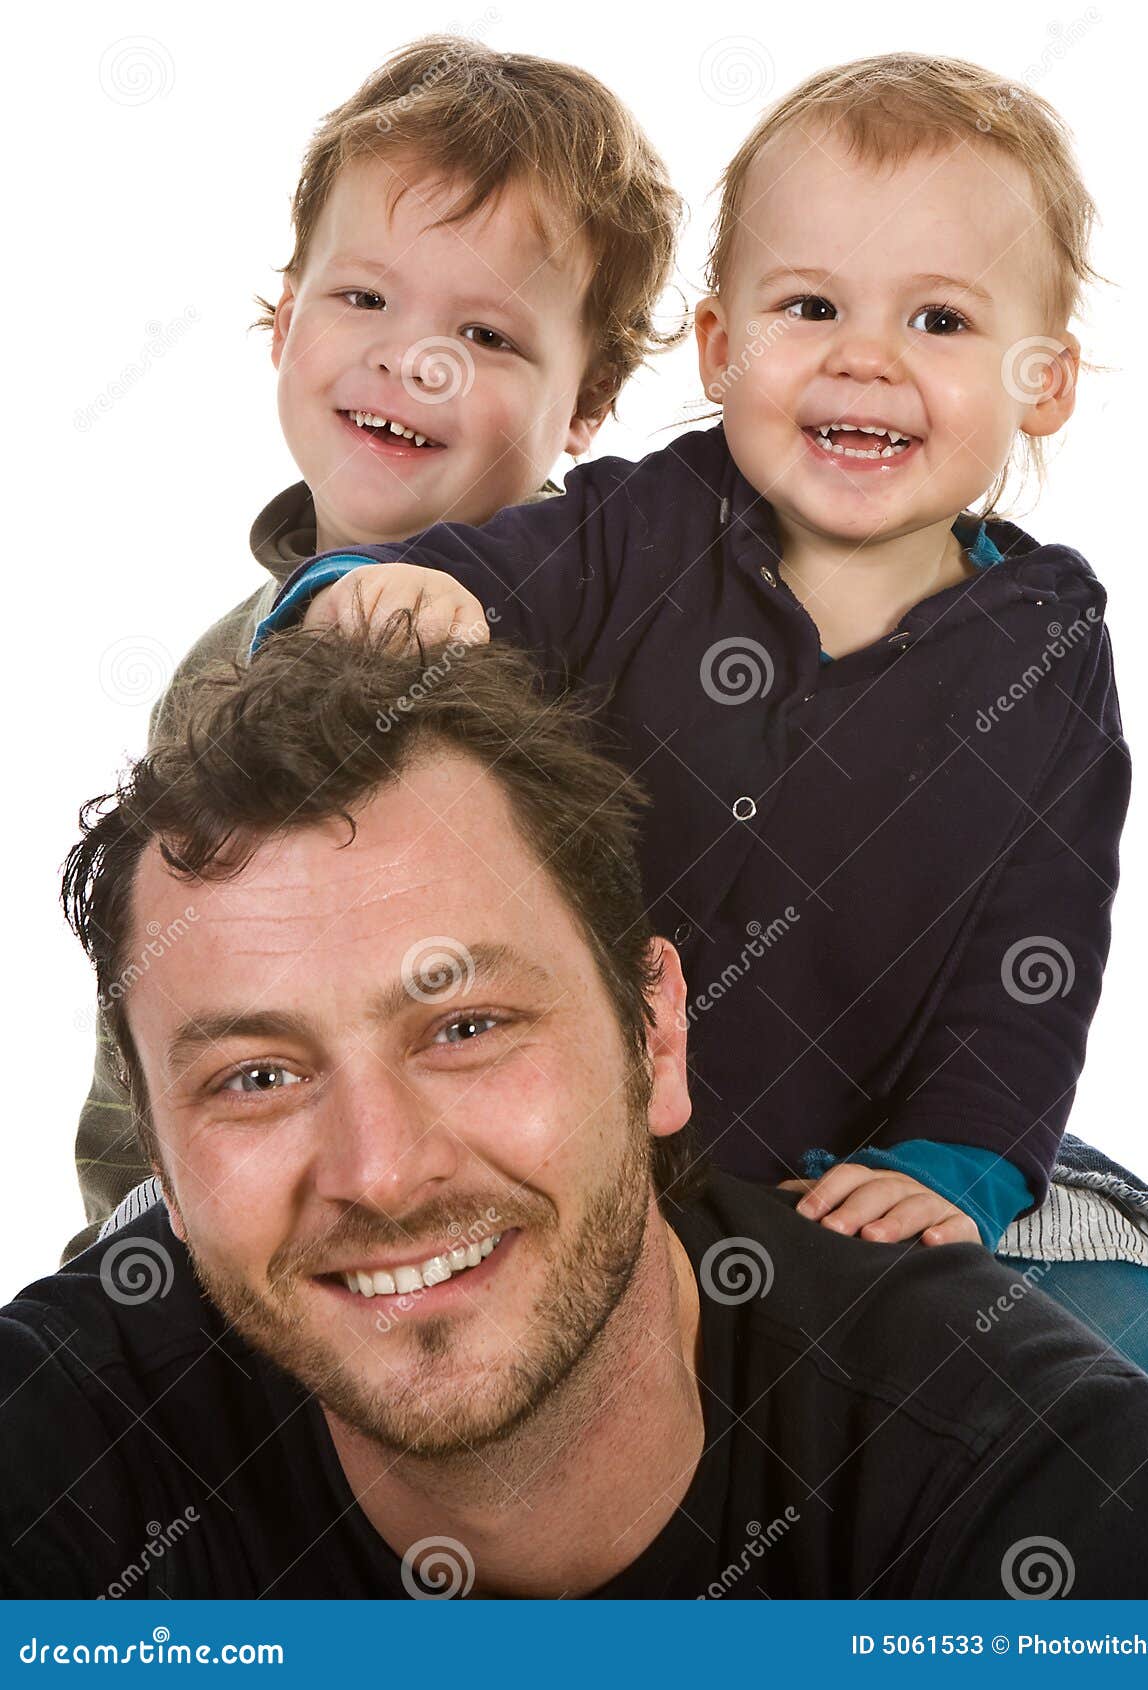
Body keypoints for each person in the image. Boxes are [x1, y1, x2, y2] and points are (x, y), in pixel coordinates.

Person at [247, 52, 1148, 1398]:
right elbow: (488, 578)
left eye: (940, 322)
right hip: (564, 1169)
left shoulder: (1046, 648)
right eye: (811, 307)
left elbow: (1039, 943)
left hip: (840, 1177)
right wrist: (383, 593)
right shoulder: (645, 525)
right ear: (723, 348)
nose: (865, 357)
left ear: (1044, 383)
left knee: (1122, 1346)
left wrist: (956, 1161)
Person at [5, 618, 1148, 1600]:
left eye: (466, 1028)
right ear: (155, 1145)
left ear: (655, 1034)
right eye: (256, 1078)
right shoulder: (58, 1447)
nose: (381, 1170)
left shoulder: (1027, 1483)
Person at [65, 33, 684, 1261]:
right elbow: (156, 1017)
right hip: (315, 1209)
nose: (417, 356)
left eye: (493, 337)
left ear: (590, 402)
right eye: (364, 298)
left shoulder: (632, 639)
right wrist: (131, 1251)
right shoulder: (219, 674)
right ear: (287, 316)